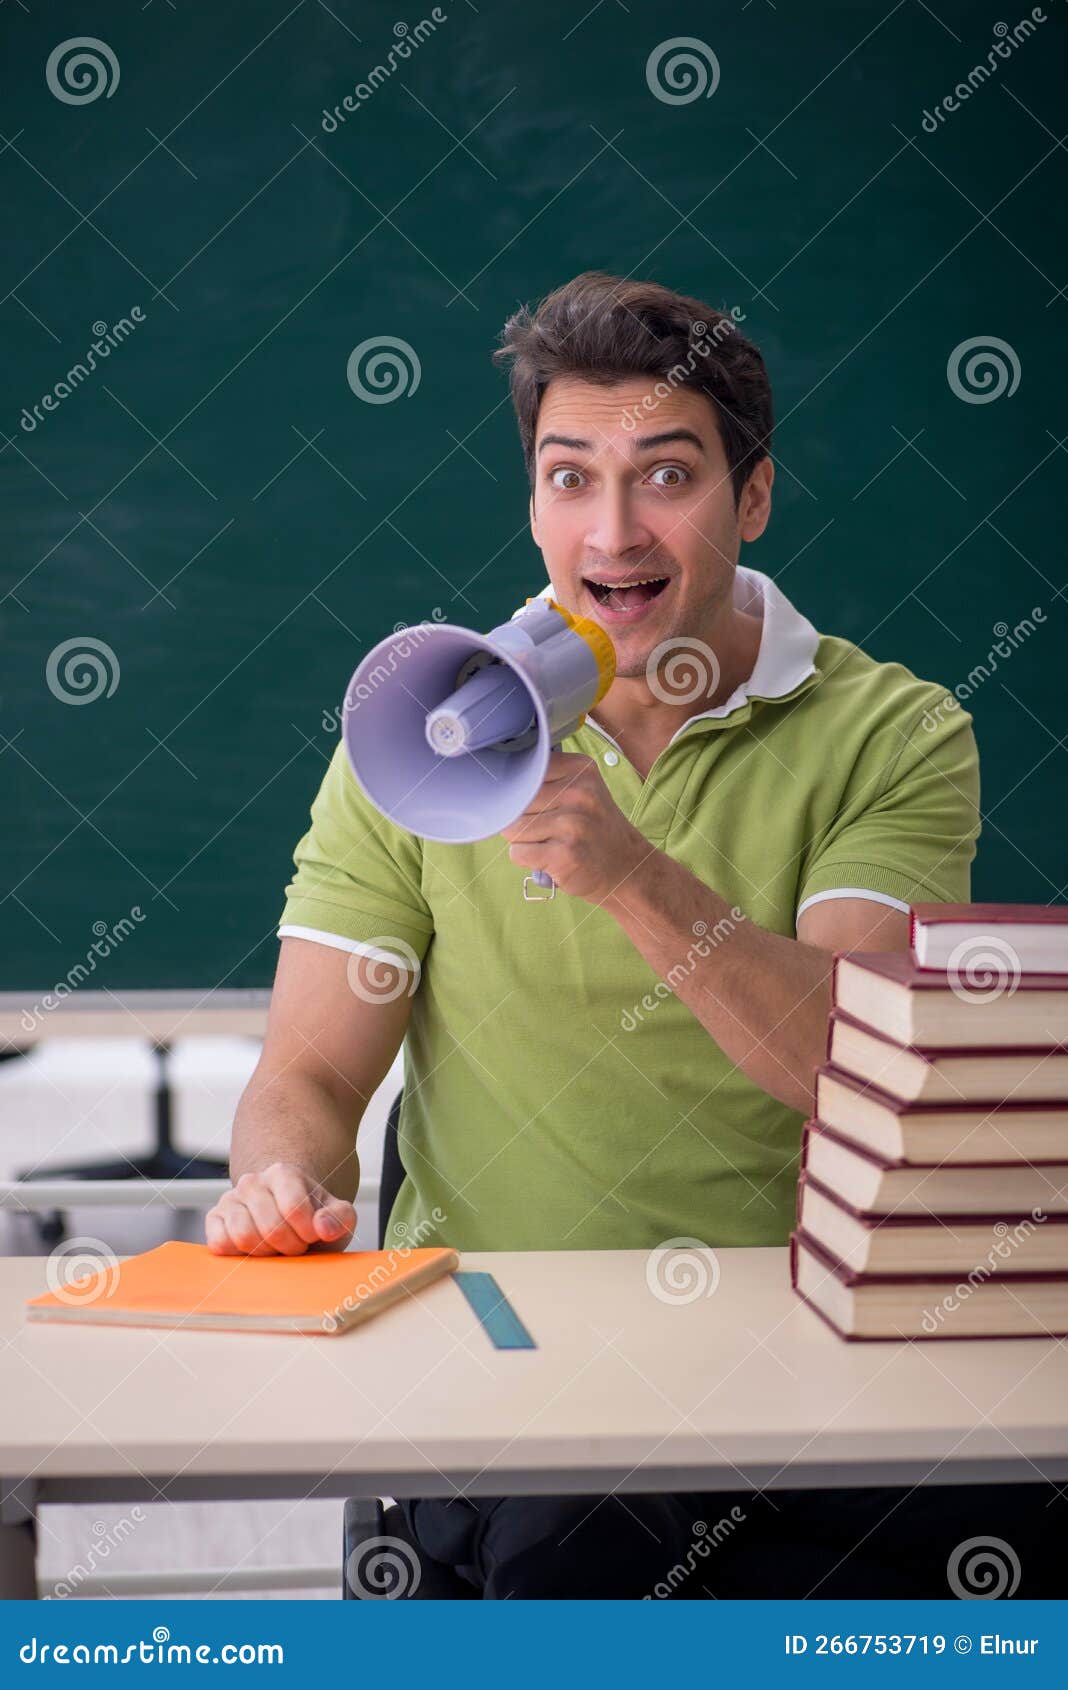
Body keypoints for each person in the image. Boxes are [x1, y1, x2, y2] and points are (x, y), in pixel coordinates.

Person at [205, 272, 1057, 1598]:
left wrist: (636, 880)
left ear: (751, 497)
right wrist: (279, 1183)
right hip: (503, 1364)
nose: (612, 531)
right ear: (533, 501)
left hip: (804, 1357)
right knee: (577, 1546)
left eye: (667, 476)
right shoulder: (420, 725)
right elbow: (309, 1073)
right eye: (569, 478)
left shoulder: (894, 736)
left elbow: (853, 1068)